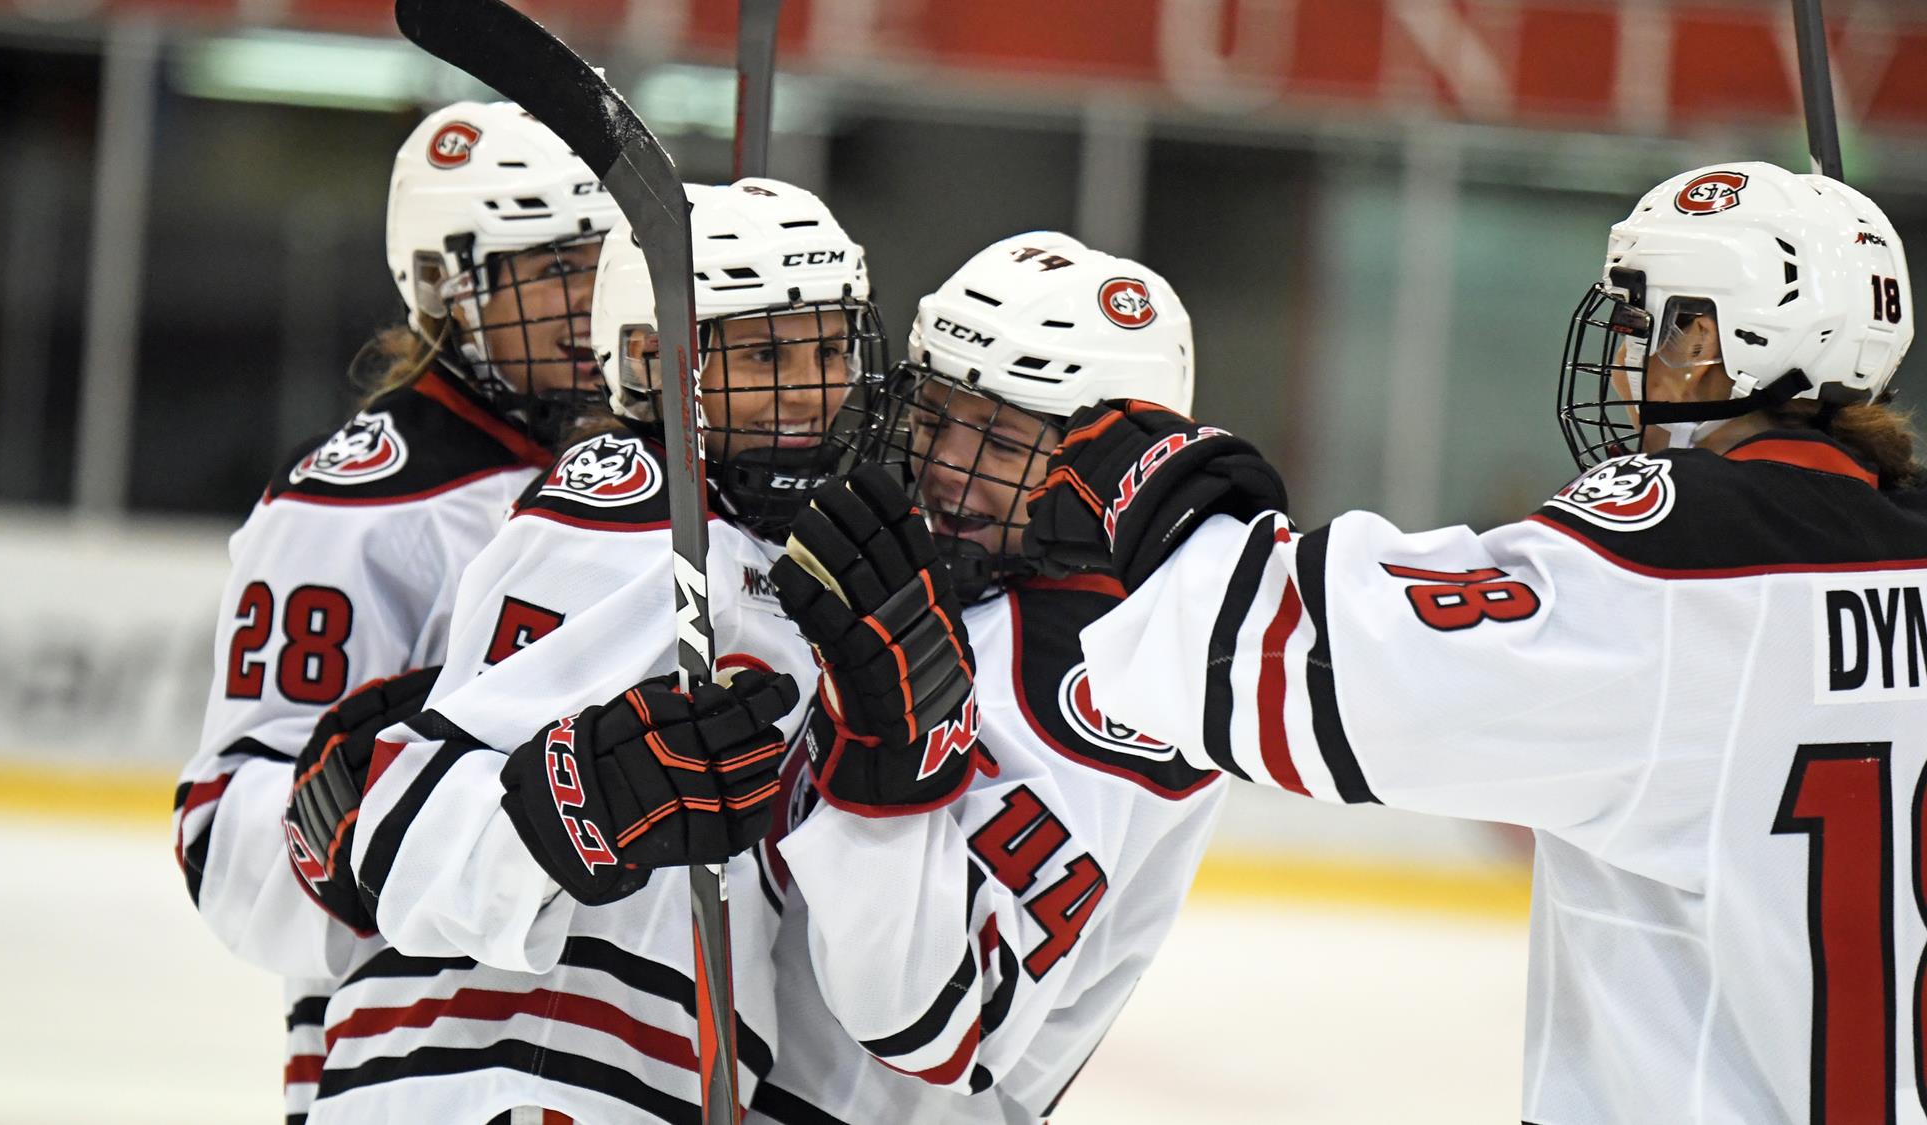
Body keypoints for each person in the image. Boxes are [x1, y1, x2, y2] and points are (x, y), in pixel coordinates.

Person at [1026, 162, 1923, 1123]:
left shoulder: (1678, 558)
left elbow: (1313, 670)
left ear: (1707, 339)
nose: (1627, 364)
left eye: (1645, 325)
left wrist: (1155, 492)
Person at [282, 178, 880, 1123]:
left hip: (616, 1074)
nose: (809, 386)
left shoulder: (778, 547)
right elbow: (413, 834)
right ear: (650, 358)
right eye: (768, 351)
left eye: (829, 346)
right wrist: (575, 803)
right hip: (498, 1072)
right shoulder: (624, 514)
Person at [169, 99, 619, 1124]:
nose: (590, 300)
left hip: (609, 1049)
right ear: (443, 288)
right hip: (413, 1059)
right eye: (551, 270)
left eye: (602, 259)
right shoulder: (351, 516)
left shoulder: (645, 487)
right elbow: (227, 839)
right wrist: (411, 827)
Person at [750, 233, 1228, 1124]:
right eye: (934, 417)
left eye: (1001, 442)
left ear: (1106, 474)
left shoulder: (1112, 683)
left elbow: (939, 1025)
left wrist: (884, 760)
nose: (942, 466)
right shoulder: (946, 588)